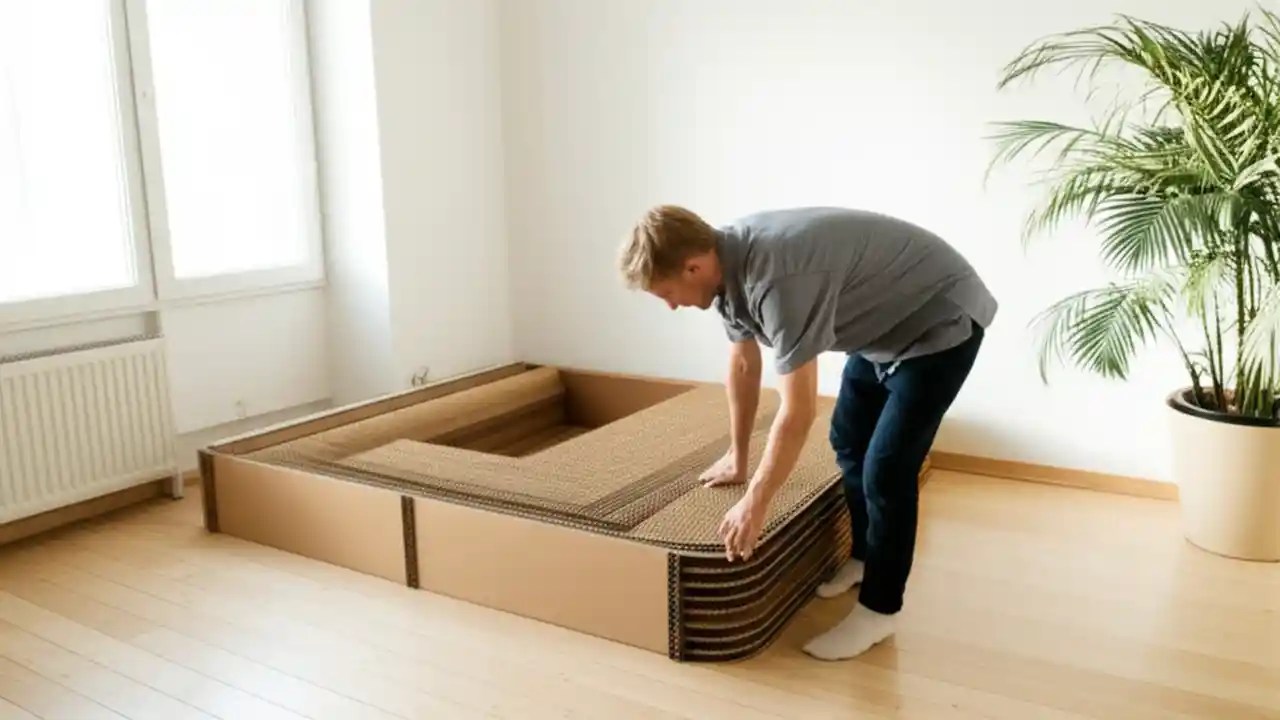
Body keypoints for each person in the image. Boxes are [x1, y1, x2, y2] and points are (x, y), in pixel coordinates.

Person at [617, 205, 996, 660]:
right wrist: (738, 457)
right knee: (850, 440)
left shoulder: (776, 280)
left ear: (693, 266)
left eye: (667, 292)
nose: (672, 305)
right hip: (881, 330)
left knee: (887, 470)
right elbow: (742, 363)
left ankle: (880, 611)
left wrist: (756, 502)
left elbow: (797, 412)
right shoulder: (725, 272)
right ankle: (863, 556)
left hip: (938, 320)